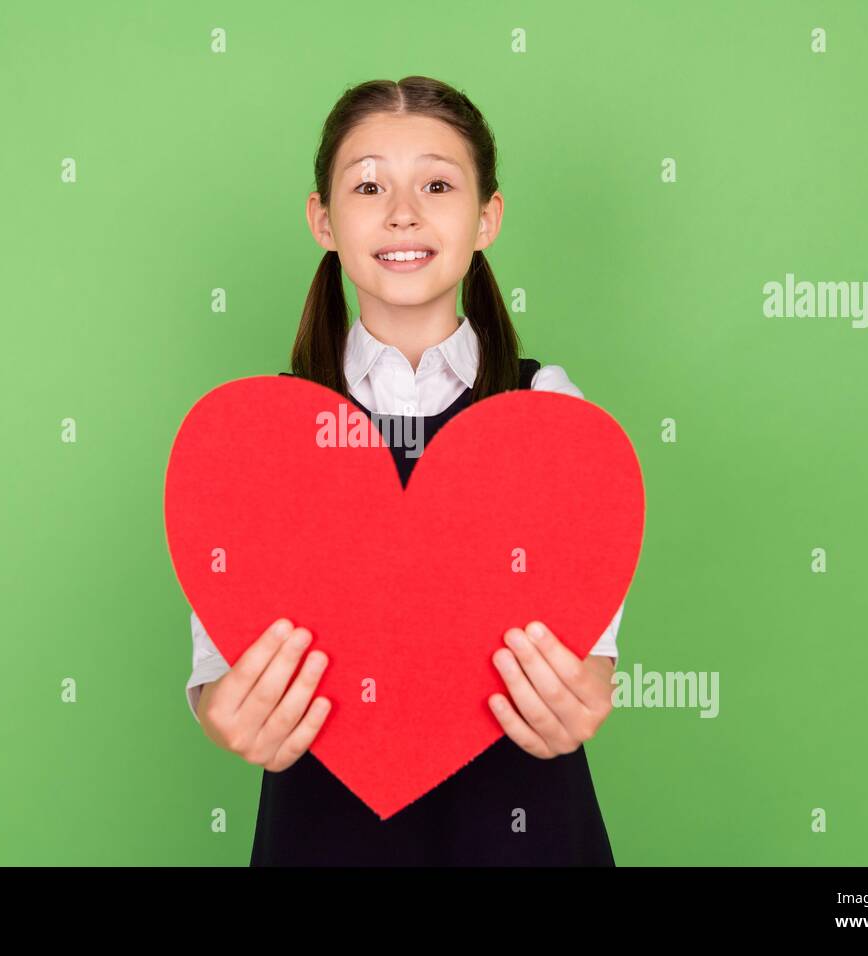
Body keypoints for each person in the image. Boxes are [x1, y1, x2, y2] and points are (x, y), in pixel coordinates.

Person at [184, 76, 626, 865]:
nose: (402, 211)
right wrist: (222, 708)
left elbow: (588, 660)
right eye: (367, 184)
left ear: (487, 216)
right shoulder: (258, 438)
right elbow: (219, 673)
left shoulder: (550, 412)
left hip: (519, 829)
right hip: (325, 832)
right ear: (322, 219)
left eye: (437, 183)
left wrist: (585, 693)